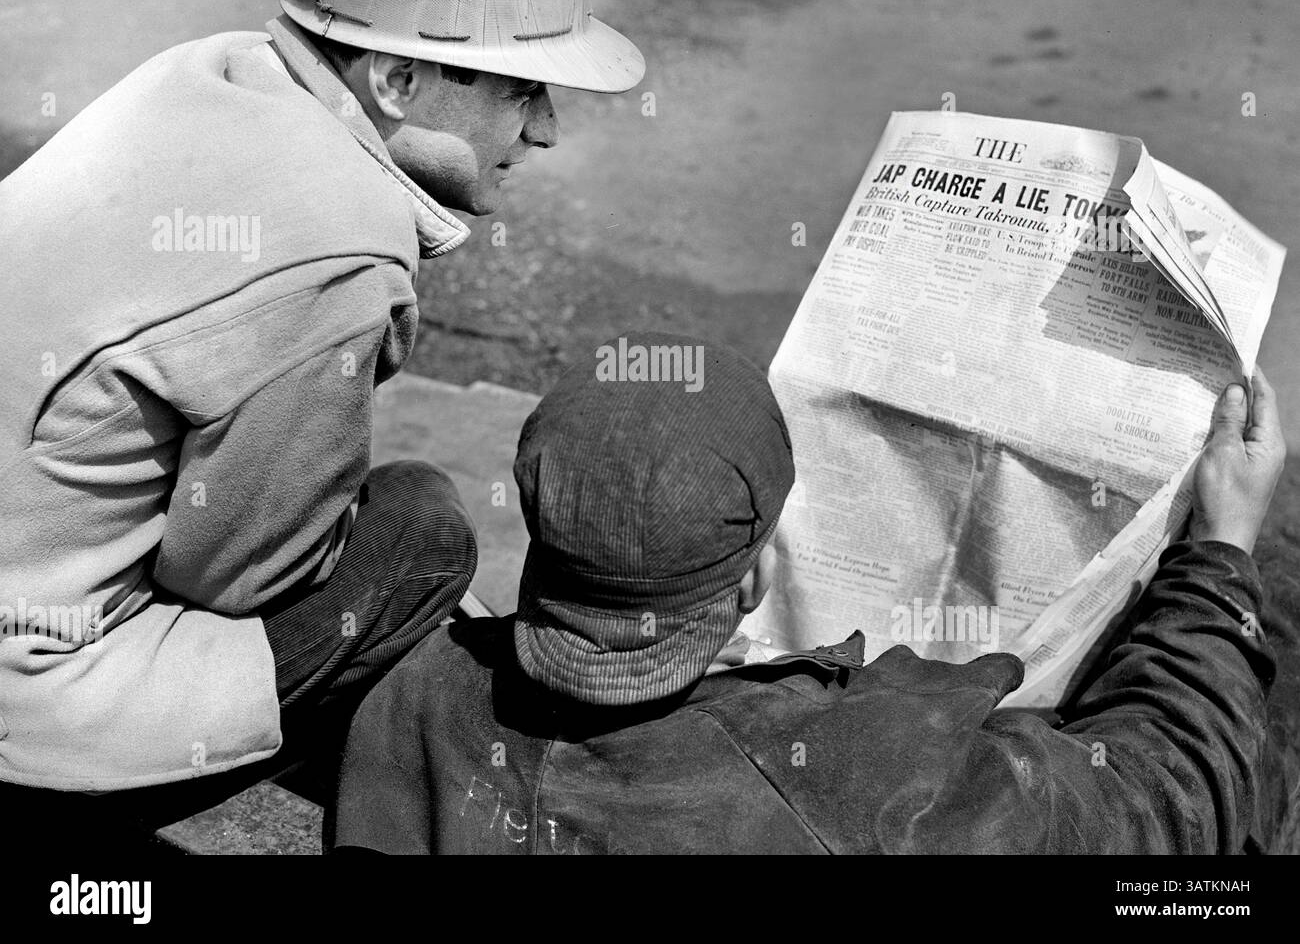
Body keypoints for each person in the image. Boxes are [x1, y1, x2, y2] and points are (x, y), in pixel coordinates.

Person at [0, 0, 643, 802]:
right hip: (37, 698)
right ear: (396, 80)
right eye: (523, 88)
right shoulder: (338, 252)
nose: (544, 129)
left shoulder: (209, 69)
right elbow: (239, 578)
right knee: (423, 530)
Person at [330, 332, 1288, 854]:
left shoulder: (408, 700)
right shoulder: (873, 785)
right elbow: (1170, 802)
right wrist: (1222, 555)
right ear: (753, 578)